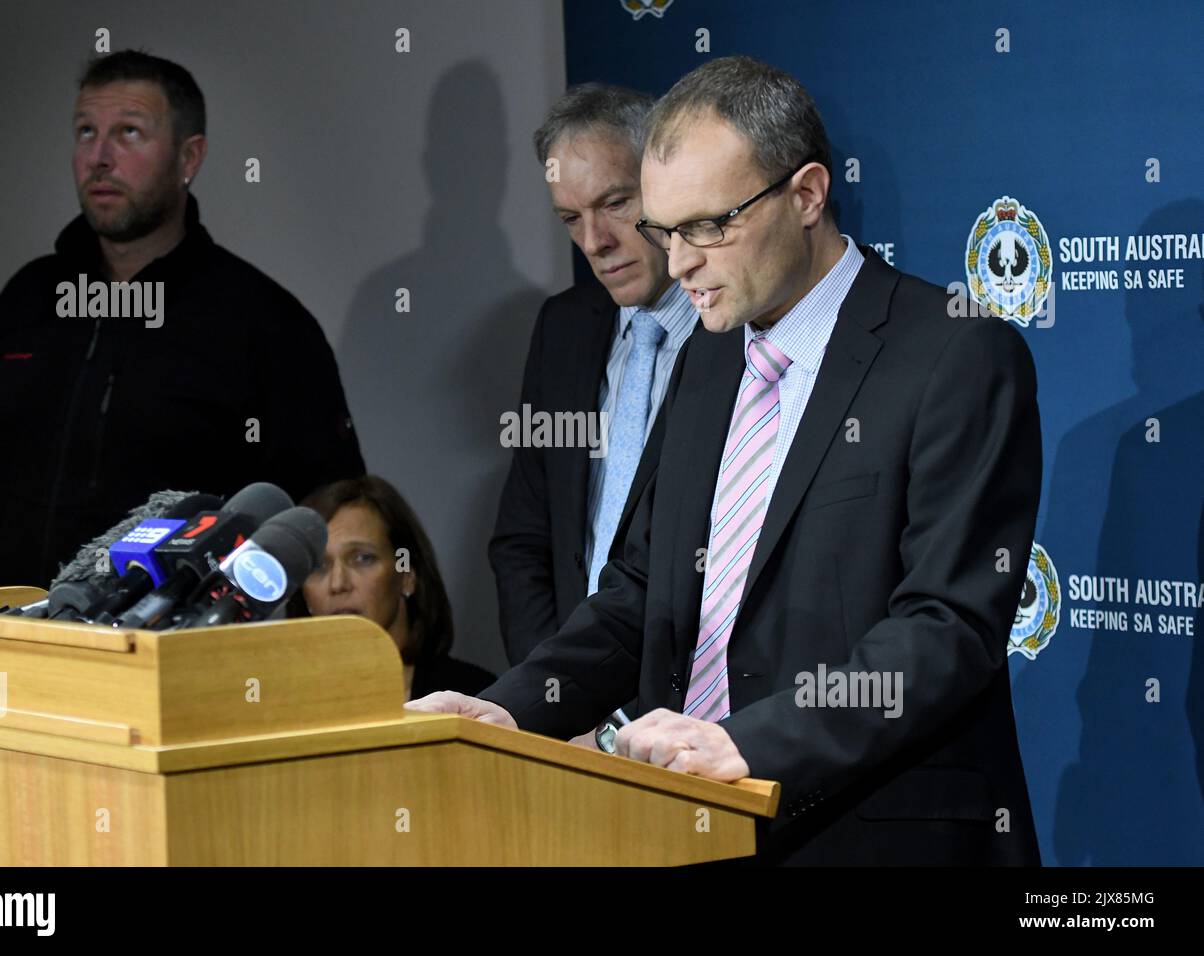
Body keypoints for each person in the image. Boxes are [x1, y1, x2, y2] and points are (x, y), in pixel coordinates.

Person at [410, 56, 1043, 866]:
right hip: (688, 828)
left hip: (875, 833)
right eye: (665, 232)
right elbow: (641, 591)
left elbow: (945, 628)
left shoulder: (954, 354)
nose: (680, 266)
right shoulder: (708, 361)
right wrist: (513, 708)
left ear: (807, 195)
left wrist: (752, 743)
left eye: (708, 227)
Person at [0, 50, 364, 591]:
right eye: (86, 132)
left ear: (189, 158)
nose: (99, 157)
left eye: (129, 133)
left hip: (182, 658)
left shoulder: (265, 324)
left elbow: (325, 516)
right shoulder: (29, 300)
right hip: (20, 647)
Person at [489, 84, 698, 667]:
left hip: (694, 702)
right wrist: (553, 693)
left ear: (664, 185)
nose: (595, 242)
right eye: (570, 219)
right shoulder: (564, 329)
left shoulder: (739, 332)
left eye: (615, 204)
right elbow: (524, 540)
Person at [296, 476, 494, 701]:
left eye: (362, 558)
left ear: (407, 576)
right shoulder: (280, 705)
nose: (338, 584)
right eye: (319, 566)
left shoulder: (474, 698)